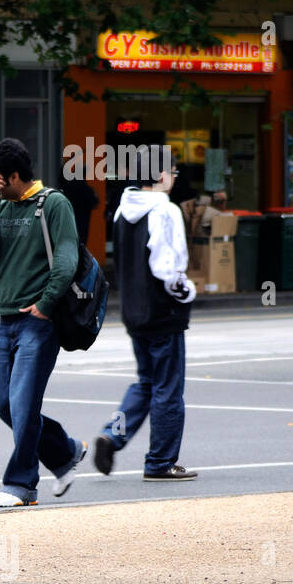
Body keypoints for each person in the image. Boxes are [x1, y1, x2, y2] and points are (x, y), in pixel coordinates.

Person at [0, 138, 87, 508]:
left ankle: (21, 485)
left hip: (39, 323)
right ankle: (65, 450)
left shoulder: (53, 204)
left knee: (23, 405)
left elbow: (68, 259)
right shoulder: (2, 206)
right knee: (5, 405)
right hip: (6, 323)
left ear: (14, 176)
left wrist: (45, 304)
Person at [94, 168, 198, 483]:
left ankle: (112, 435)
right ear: (163, 174)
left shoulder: (123, 210)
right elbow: (167, 266)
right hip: (163, 312)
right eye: (174, 171)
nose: (176, 177)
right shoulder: (164, 210)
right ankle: (160, 462)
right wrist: (186, 291)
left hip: (134, 310)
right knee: (168, 387)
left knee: (146, 383)